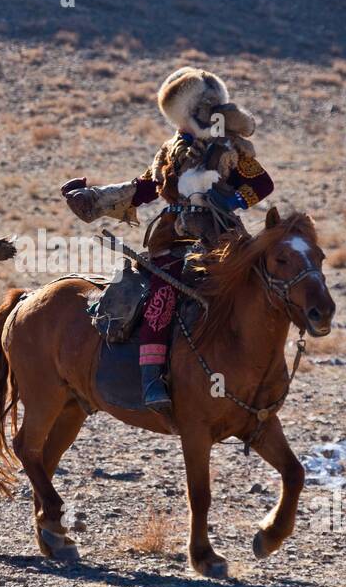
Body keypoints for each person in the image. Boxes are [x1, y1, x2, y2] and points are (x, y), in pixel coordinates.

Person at [61, 67, 273, 412]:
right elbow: (144, 187)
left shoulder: (231, 150)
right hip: (172, 241)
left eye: (180, 118)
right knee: (161, 295)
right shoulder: (171, 151)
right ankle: (152, 379)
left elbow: (263, 185)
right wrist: (93, 198)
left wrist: (232, 200)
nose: (177, 126)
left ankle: (261, 370)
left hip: (223, 239)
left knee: (262, 287)